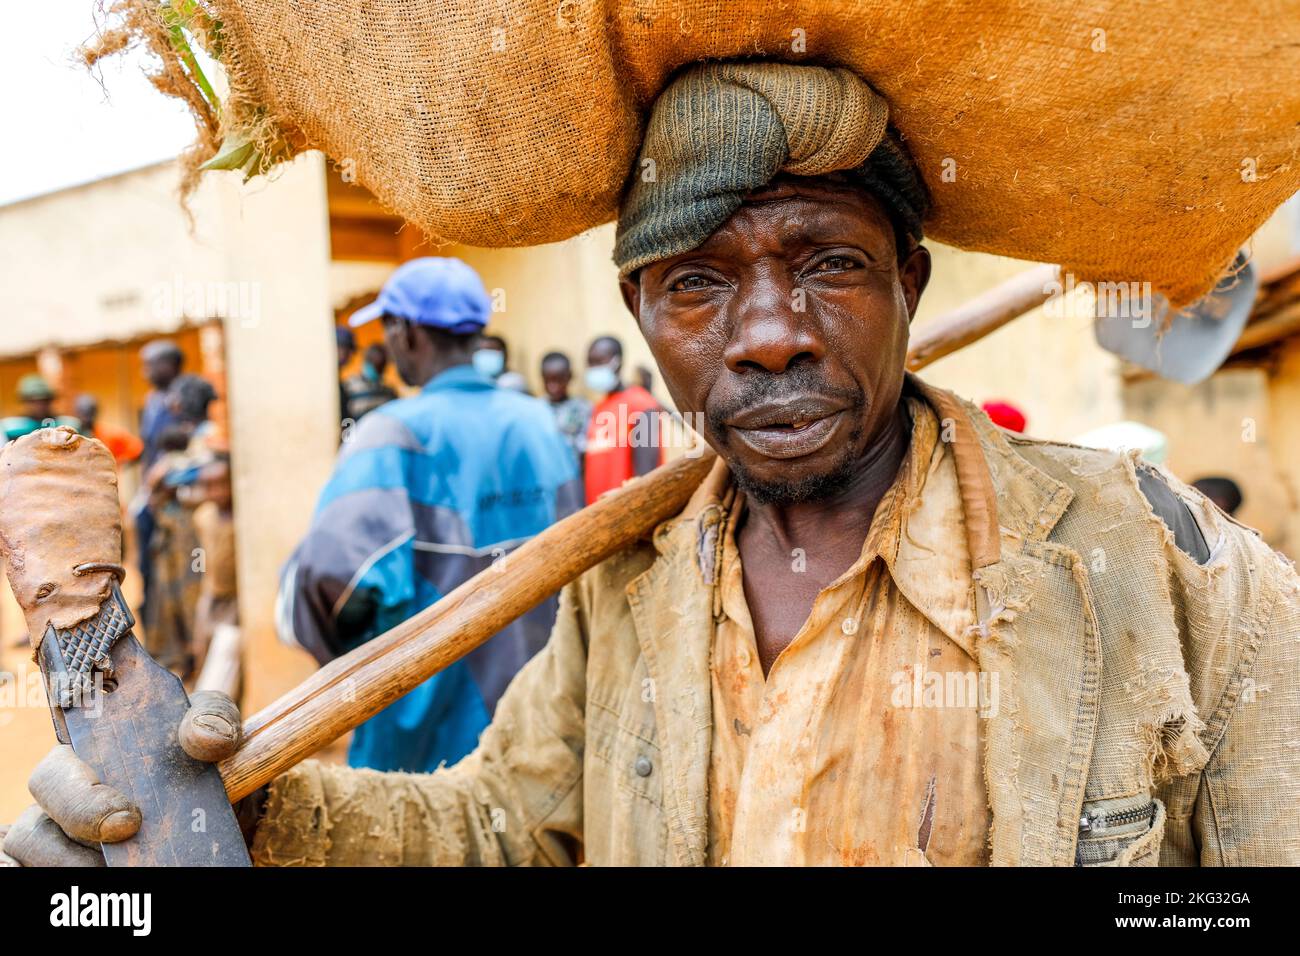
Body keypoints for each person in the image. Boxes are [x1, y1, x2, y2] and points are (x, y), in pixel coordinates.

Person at [13, 62, 1300, 868]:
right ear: (644, 318)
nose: (771, 330)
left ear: (908, 281)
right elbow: (505, 830)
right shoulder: (621, 585)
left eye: (829, 262)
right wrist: (262, 818)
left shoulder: (1169, 573)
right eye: (699, 286)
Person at [273, 256, 581, 773]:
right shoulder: (540, 424)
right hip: (539, 730)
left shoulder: (390, 434)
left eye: (388, 327)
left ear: (406, 331)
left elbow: (326, 581)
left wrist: (345, 659)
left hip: (423, 747)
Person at [581, 335, 662, 503]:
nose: (593, 368)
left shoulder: (641, 403)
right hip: (598, 514)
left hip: (628, 511)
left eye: (599, 361)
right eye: (590, 362)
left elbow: (647, 476)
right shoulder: (598, 408)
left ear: (617, 362)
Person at [540, 351, 591, 468]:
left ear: (569, 376)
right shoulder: (536, 410)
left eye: (559, 380)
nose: (553, 387)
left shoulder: (582, 408)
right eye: (548, 380)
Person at [0, 375, 82, 441]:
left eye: (45, 400)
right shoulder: (10, 428)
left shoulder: (68, 425)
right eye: (33, 401)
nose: (40, 406)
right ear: (24, 401)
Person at [73, 395, 143, 466]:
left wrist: (117, 463)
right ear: (77, 413)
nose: (86, 418)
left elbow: (138, 449)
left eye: (90, 413)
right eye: (83, 413)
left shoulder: (109, 435)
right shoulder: (71, 437)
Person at [342, 343, 399, 421]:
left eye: (380, 367)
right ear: (366, 361)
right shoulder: (349, 387)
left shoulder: (388, 391)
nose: (377, 370)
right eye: (375, 365)